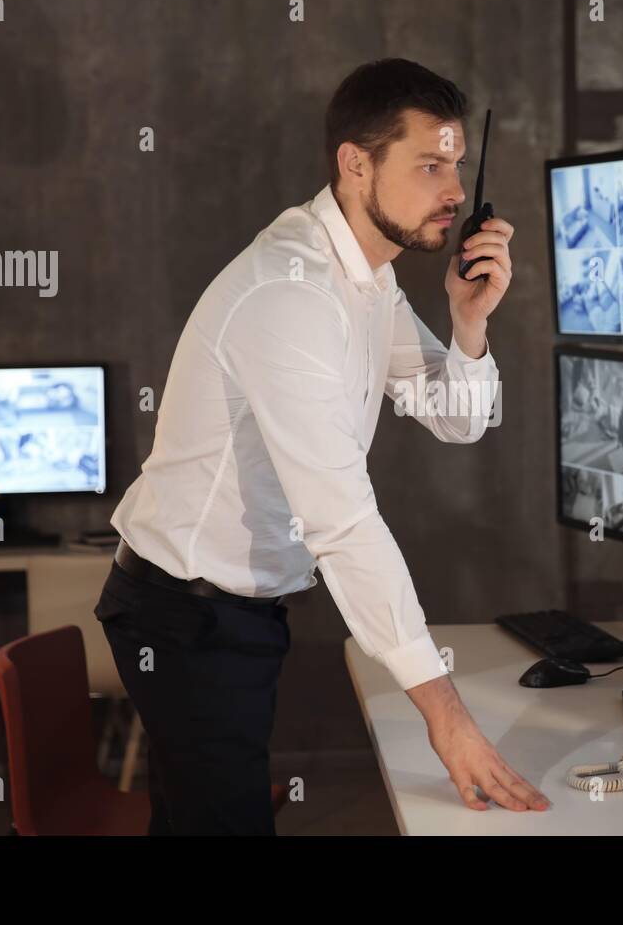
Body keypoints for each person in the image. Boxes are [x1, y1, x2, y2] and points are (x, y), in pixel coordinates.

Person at [94, 58, 548, 834]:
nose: (454, 193)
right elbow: (341, 520)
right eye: (430, 165)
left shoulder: (367, 280)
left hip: (237, 608)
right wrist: (446, 713)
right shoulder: (293, 295)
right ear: (355, 164)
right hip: (185, 617)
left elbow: (457, 417)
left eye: (458, 166)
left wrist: (469, 325)